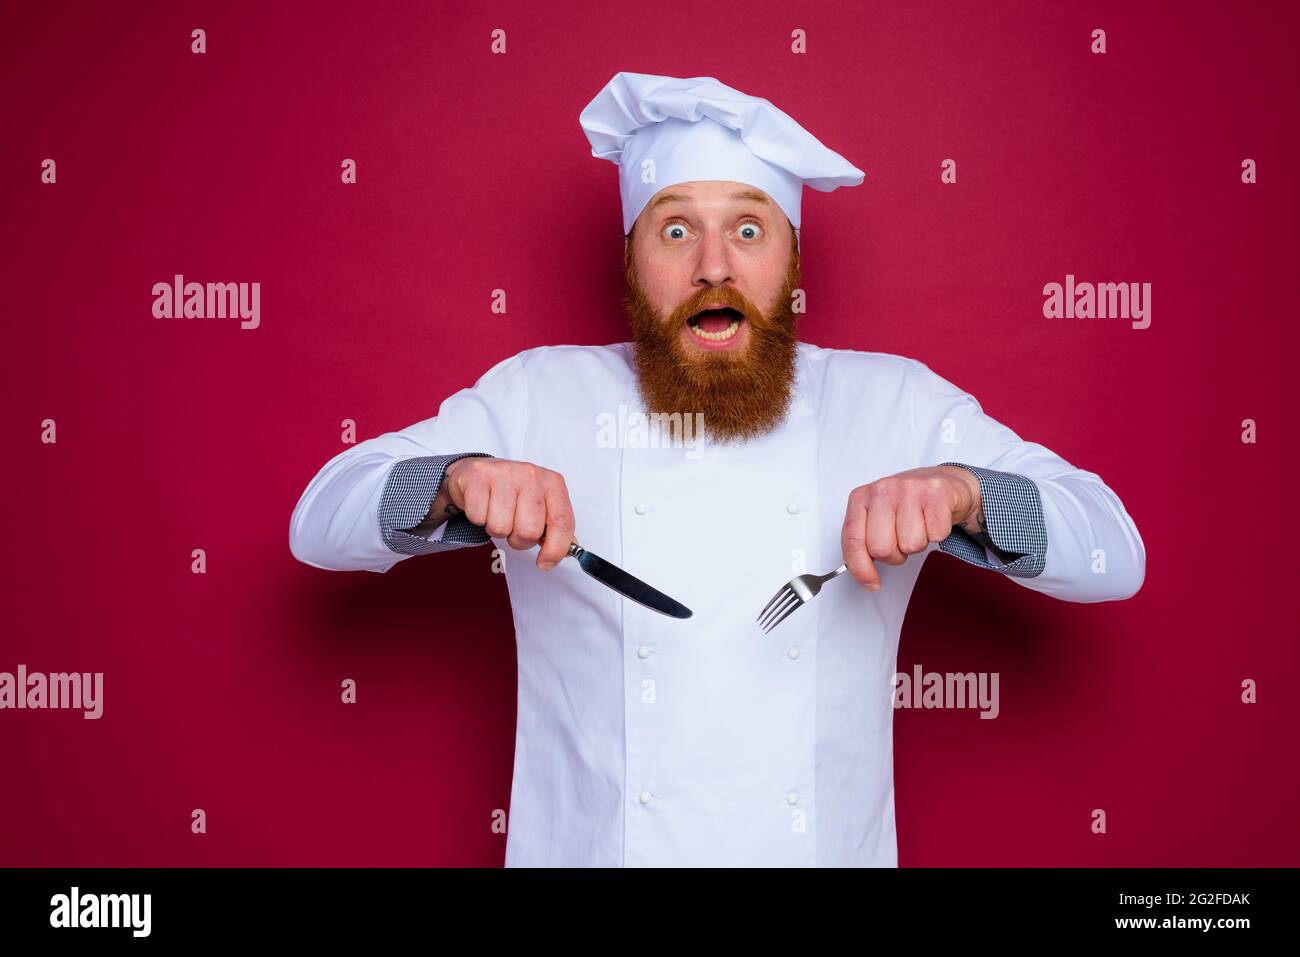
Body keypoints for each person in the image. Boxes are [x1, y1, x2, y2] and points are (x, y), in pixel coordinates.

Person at [289, 71, 1146, 867]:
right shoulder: (537, 393)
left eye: (748, 227)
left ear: (791, 259)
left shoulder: (895, 405)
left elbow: (1115, 549)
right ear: (633, 261)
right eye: (674, 229)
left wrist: (968, 493)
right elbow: (318, 520)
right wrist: (454, 479)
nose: (713, 265)